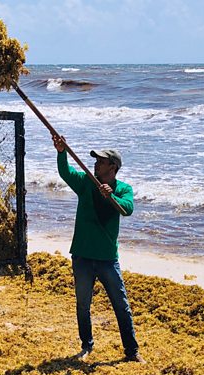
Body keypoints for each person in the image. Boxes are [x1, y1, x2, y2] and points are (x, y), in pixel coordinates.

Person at [53, 134, 144, 363]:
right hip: (82, 255)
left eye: (101, 162)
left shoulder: (123, 189)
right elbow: (65, 173)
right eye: (95, 161)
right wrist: (62, 152)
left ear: (112, 168)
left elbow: (127, 209)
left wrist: (111, 196)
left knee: (121, 306)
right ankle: (86, 345)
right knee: (83, 304)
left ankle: (132, 352)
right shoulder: (85, 182)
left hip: (106, 258)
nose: (95, 164)